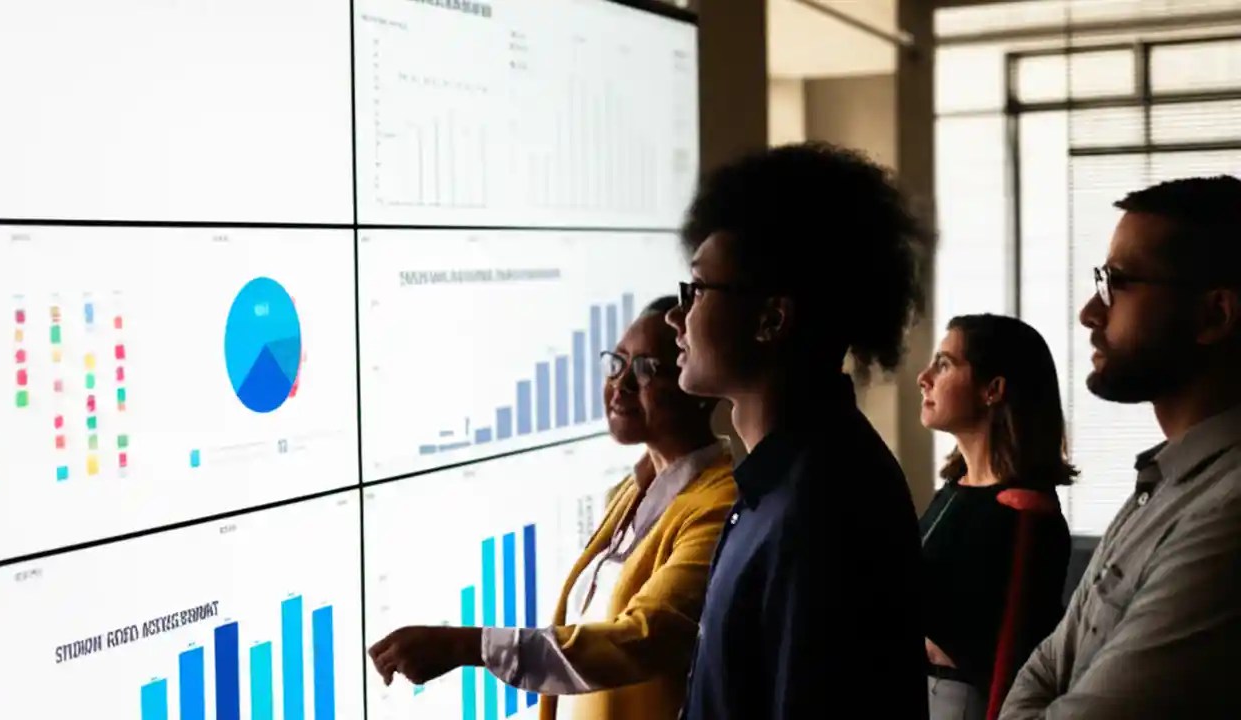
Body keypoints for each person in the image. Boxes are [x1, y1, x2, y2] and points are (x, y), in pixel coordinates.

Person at [368, 296, 737, 720]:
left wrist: (466, 646)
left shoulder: (720, 502)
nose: (621, 384)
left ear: (696, 384)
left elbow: (644, 639)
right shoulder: (630, 489)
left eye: (645, 369)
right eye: (617, 362)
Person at [666, 141, 929, 719]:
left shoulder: (822, 506)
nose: (675, 317)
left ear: (771, 319)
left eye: (697, 290)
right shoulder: (782, 481)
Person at [1000, 175, 1241, 719]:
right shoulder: (1165, 483)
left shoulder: (1228, 510)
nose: (1091, 311)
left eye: (1117, 282)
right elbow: (1045, 667)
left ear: (1214, 315)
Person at [916, 314, 1074, 719]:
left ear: (993, 389)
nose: (924, 378)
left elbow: (1009, 656)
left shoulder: (1024, 511)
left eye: (944, 364)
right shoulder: (954, 490)